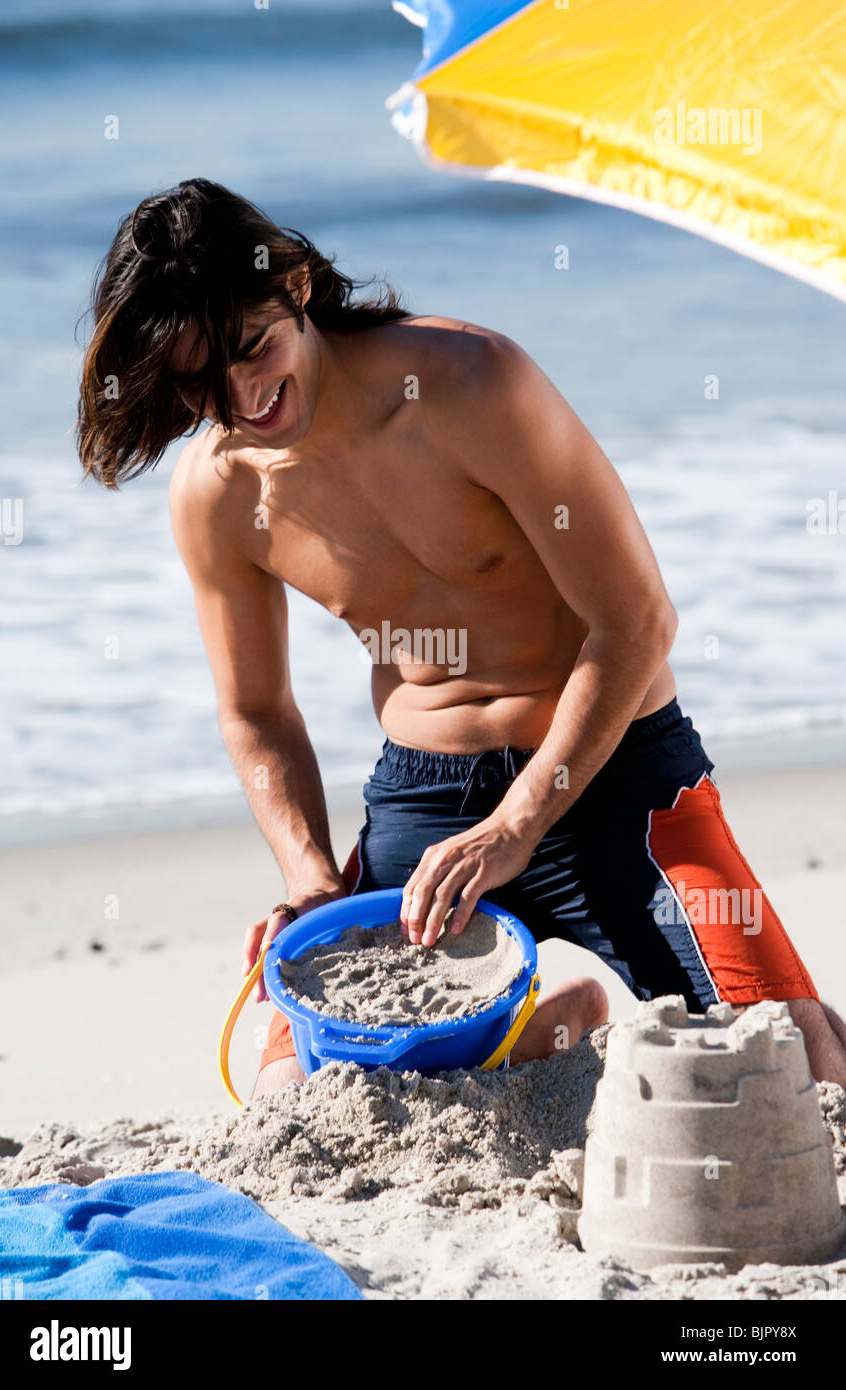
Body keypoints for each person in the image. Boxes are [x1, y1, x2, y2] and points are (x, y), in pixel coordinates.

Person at [78, 178, 846, 1096]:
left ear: (296, 286)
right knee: (303, 1096)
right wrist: (313, 876)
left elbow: (638, 620)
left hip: (615, 776)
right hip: (425, 808)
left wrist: (519, 824)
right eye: (201, 380)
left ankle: (768, 999)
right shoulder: (219, 492)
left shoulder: (471, 382)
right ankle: (551, 1031)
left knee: (794, 1068)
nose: (243, 396)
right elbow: (255, 712)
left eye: (253, 349)